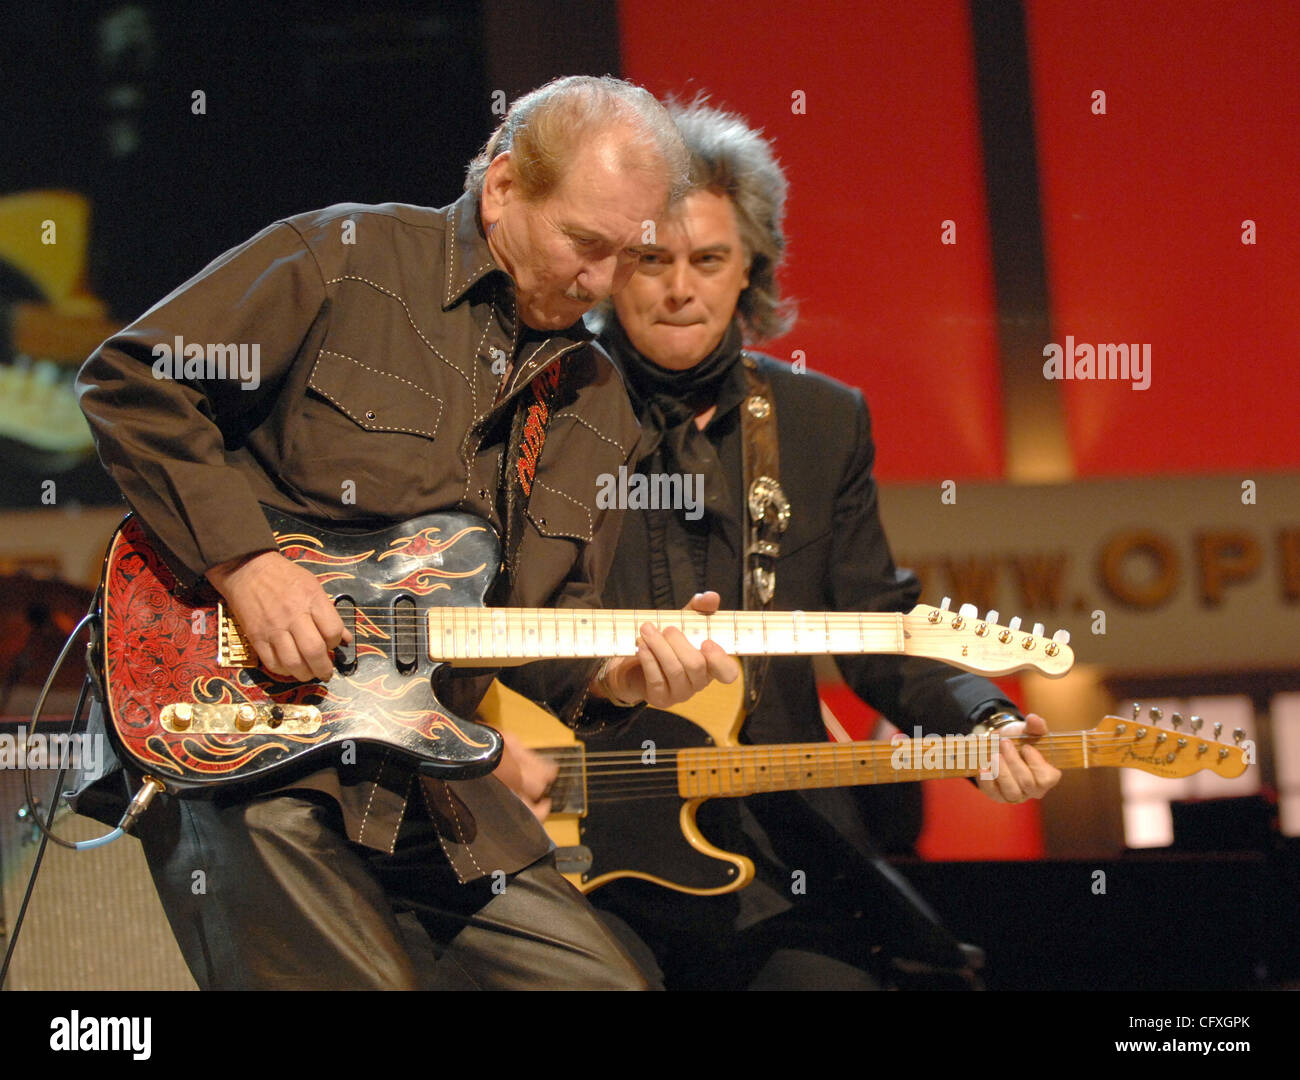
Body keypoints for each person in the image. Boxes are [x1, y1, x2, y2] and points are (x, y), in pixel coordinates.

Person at [73, 75, 737, 990]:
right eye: (584, 243)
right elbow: (133, 384)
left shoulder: (600, 400)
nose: (599, 282)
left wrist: (618, 676)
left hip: (431, 776)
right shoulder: (346, 257)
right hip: (256, 747)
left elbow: (542, 620)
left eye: (629, 256)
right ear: (503, 188)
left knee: (612, 982)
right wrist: (247, 563)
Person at [568, 99, 1062, 989]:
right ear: (609, 269)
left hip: (772, 845)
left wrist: (982, 720)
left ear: (747, 267)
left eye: (708, 260)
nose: (681, 287)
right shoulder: (545, 408)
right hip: (579, 846)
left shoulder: (820, 421)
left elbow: (878, 628)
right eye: (652, 260)